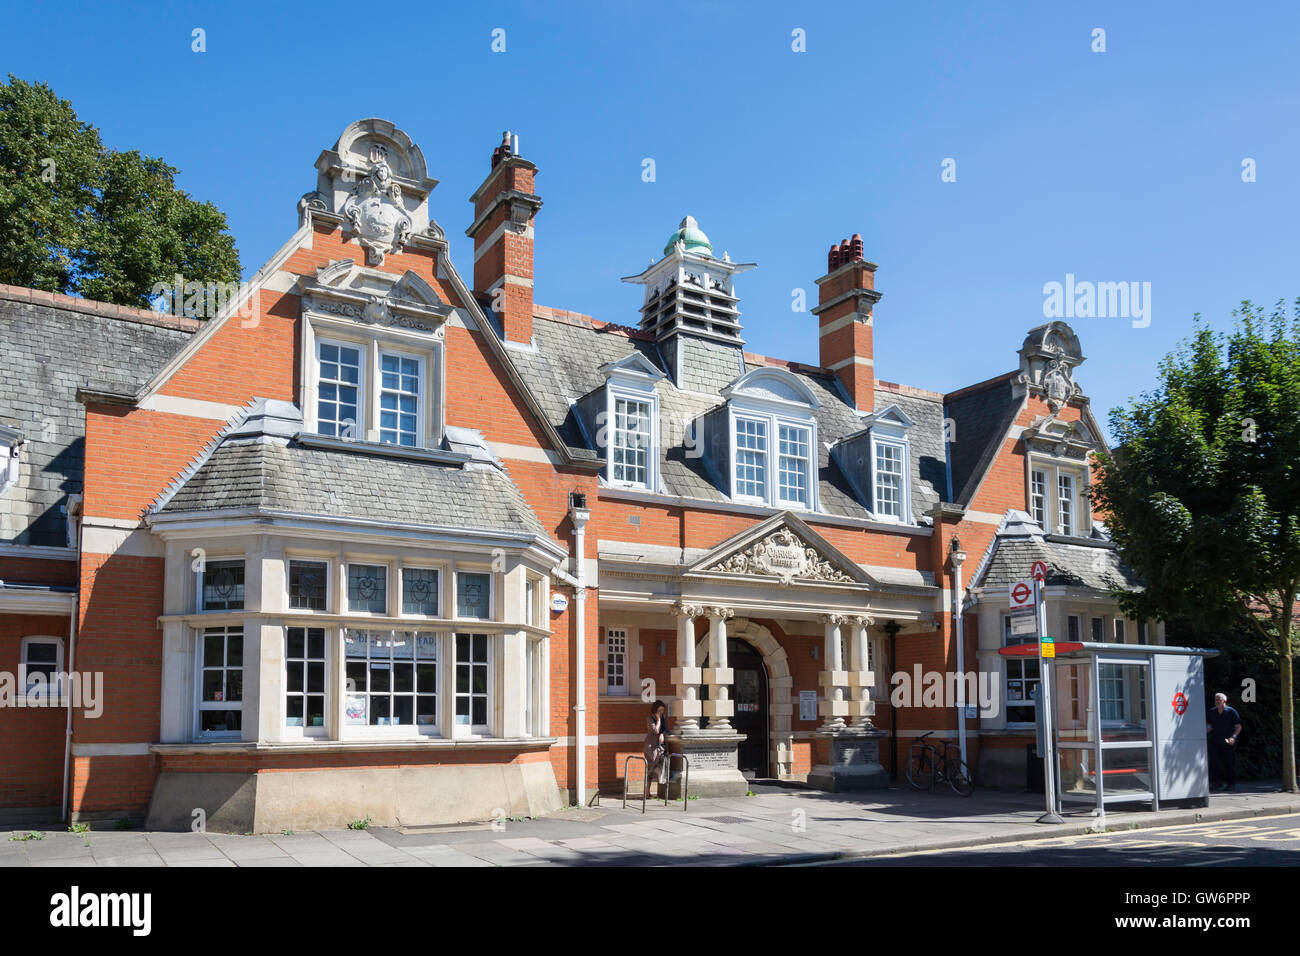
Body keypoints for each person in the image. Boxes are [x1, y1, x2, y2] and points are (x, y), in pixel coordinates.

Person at [1205, 692, 1243, 792]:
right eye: (1216, 699)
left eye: (1219, 699)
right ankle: (1217, 783)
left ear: (1224, 701)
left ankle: (1231, 784)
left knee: (1229, 762)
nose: (1217, 701)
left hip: (1228, 740)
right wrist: (1205, 731)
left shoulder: (1231, 712)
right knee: (1214, 762)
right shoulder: (1212, 711)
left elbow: (1238, 726)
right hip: (1215, 739)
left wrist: (1233, 737)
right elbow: (1209, 725)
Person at [643, 699, 670, 798]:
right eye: (659, 710)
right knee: (650, 770)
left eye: (663, 710)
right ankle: (646, 792)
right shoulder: (649, 718)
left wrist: (663, 734)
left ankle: (662, 792)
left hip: (660, 747)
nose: (661, 712)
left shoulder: (664, 717)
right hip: (651, 748)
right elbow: (655, 730)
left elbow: (666, 730)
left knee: (661, 768)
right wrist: (658, 720)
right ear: (655, 710)